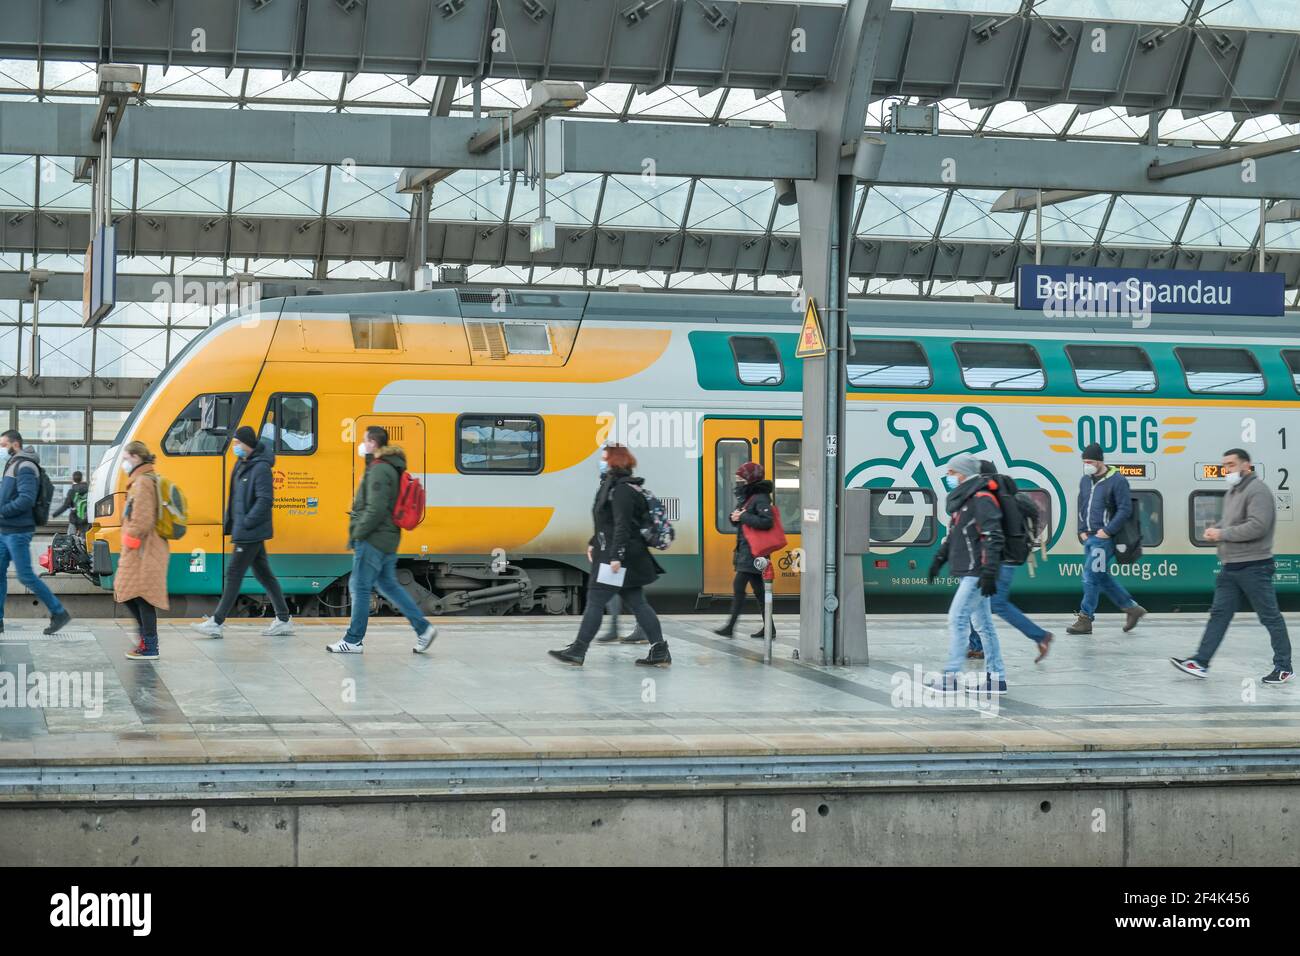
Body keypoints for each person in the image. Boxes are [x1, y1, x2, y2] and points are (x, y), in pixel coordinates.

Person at [1172, 449, 1293, 685]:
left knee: (1269, 616)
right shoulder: (1233, 492)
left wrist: (1222, 533)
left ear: (1246, 465)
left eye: (1230, 464)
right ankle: (1201, 662)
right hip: (1231, 566)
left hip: (1254, 565)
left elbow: (1257, 526)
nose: (1226, 469)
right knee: (1219, 615)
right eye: (1224, 465)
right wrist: (1215, 530)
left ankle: (1284, 667)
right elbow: (1231, 523)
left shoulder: (1258, 491)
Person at [548, 444, 670, 667]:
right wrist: (593, 543)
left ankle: (578, 650)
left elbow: (623, 526)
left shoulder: (622, 490)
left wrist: (616, 557)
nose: (601, 462)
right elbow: (607, 524)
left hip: (618, 558)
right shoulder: (613, 486)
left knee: (595, 600)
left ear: (615, 461)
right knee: (638, 603)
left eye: (604, 458)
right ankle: (659, 650)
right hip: (621, 556)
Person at [325, 425, 437, 654]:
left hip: (373, 539)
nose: (362, 444)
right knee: (389, 586)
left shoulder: (379, 470)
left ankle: (353, 640)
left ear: (373, 443)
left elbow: (375, 509)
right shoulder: (389, 467)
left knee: (359, 586)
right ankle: (423, 629)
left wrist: (358, 533)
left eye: (365, 440)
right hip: (388, 538)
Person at [191, 426, 293, 639]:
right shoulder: (243, 464)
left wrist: (247, 522)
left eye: (237, 443)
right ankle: (283, 618)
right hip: (244, 529)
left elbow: (265, 499)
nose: (234, 447)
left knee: (234, 573)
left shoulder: (261, 468)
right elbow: (235, 497)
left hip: (250, 531)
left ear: (247, 444)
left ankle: (216, 622)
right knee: (263, 574)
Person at [926, 453, 1006, 694]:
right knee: (983, 625)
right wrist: (938, 561)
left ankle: (951, 676)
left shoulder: (982, 499)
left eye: (951, 473)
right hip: (970, 571)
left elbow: (993, 537)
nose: (949, 477)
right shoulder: (964, 501)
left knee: (957, 618)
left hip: (977, 573)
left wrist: (989, 572)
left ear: (963, 473)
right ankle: (997, 677)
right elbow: (954, 536)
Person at [967, 461, 1053, 664]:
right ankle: (977, 646)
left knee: (996, 603)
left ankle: (1040, 636)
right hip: (1008, 558)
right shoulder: (1012, 496)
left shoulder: (991, 498)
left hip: (1000, 559)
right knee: (975, 601)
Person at [1066, 442, 1146, 635]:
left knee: (1090, 576)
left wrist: (1108, 531)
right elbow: (1082, 505)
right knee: (1100, 576)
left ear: (1100, 461)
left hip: (1104, 539)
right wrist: (1081, 530)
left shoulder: (1117, 480)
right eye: (1084, 461)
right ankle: (1131, 608)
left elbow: (1125, 509)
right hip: (1089, 538)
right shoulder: (1085, 480)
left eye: (1090, 461)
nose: (1087, 465)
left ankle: (1085, 618)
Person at [0, 430, 72, 636]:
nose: (1, 449)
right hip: (5, 530)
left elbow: (26, 499)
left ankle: (59, 612)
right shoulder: (13, 464)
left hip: (18, 531)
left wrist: (2, 511)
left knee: (25, 576)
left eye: (3, 444)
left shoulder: (25, 466)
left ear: (15, 444)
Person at [114, 441, 169, 661]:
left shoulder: (143, 483)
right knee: (131, 594)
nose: (125, 463)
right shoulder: (141, 480)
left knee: (140, 596)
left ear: (136, 458)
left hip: (143, 549)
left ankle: (149, 645)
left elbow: (142, 520)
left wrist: (129, 541)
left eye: (126, 458)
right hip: (141, 548)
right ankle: (146, 641)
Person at [713, 461, 774, 639]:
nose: (737, 481)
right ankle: (770, 628)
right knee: (760, 591)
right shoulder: (748, 498)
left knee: (739, 586)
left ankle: (730, 627)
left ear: (749, 479)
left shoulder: (760, 498)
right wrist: (735, 517)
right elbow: (739, 519)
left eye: (740, 478)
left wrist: (744, 516)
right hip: (747, 550)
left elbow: (766, 521)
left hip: (754, 552)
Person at [51, 471, 91, 539]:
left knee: (71, 538)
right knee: (84, 540)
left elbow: (65, 506)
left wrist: (54, 514)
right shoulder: (89, 490)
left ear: (73, 479)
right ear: (82, 478)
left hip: (74, 519)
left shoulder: (72, 491)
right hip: (86, 519)